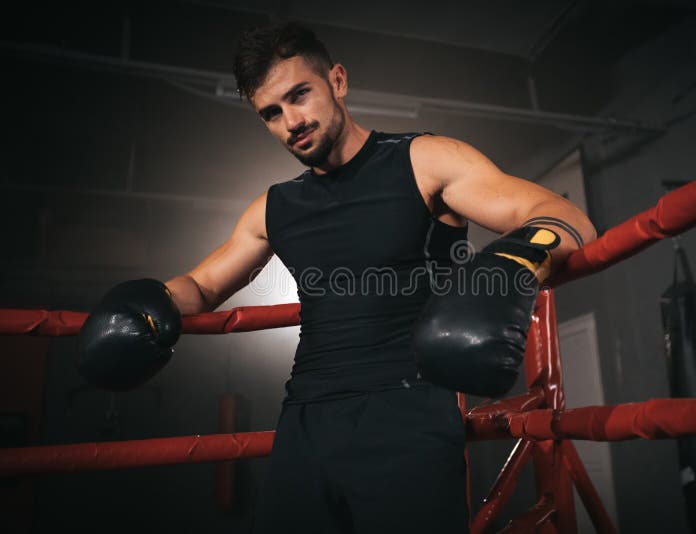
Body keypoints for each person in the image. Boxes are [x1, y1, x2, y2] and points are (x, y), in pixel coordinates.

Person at [76, 21, 596, 533]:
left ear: (338, 81)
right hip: (305, 420)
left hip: (407, 416)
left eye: (299, 95)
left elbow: (562, 216)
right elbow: (204, 285)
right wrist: (155, 302)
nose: (290, 121)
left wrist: (512, 264)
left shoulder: (425, 161)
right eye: (271, 113)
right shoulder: (273, 208)